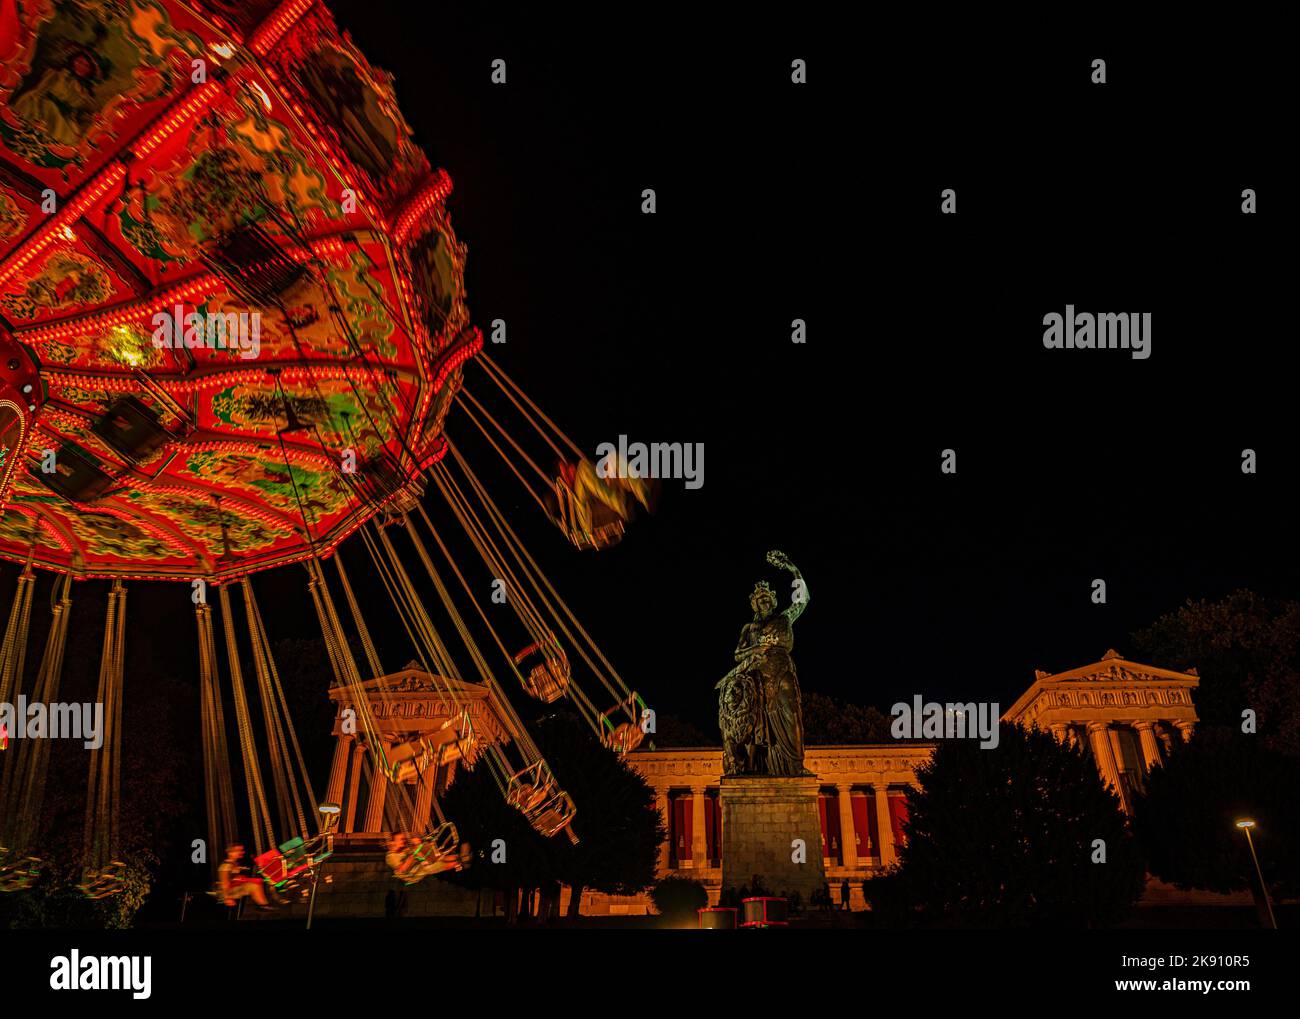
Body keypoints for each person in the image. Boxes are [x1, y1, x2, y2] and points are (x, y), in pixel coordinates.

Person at [218, 844, 271, 909]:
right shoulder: (226, 866)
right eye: (238, 850)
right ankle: (263, 905)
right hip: (227, 892)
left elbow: (234, 876)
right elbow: (224, 883)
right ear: (230, 853)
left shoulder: (234, 863)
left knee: (258, 881)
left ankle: (263, 903)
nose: (242, 852)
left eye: (242, 850)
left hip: (233, 887)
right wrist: (227, 898)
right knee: (254, 885)